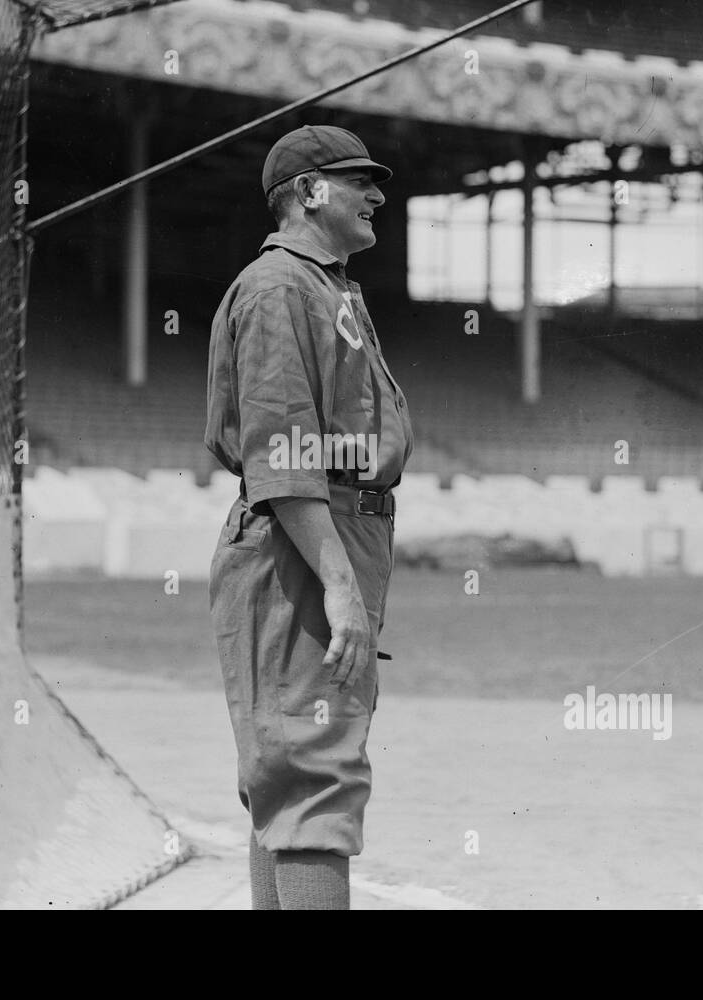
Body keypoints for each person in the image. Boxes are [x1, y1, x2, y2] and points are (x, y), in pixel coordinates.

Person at [205, 125, 414, 909]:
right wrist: (337, 586)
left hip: (330, 529)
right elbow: (282, 455)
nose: (377, 196)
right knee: (310, 769)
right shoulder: (280, 289)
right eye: (359, 181)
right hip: (300, 541)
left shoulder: (326, 287)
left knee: (291, 769)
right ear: (309, 192)